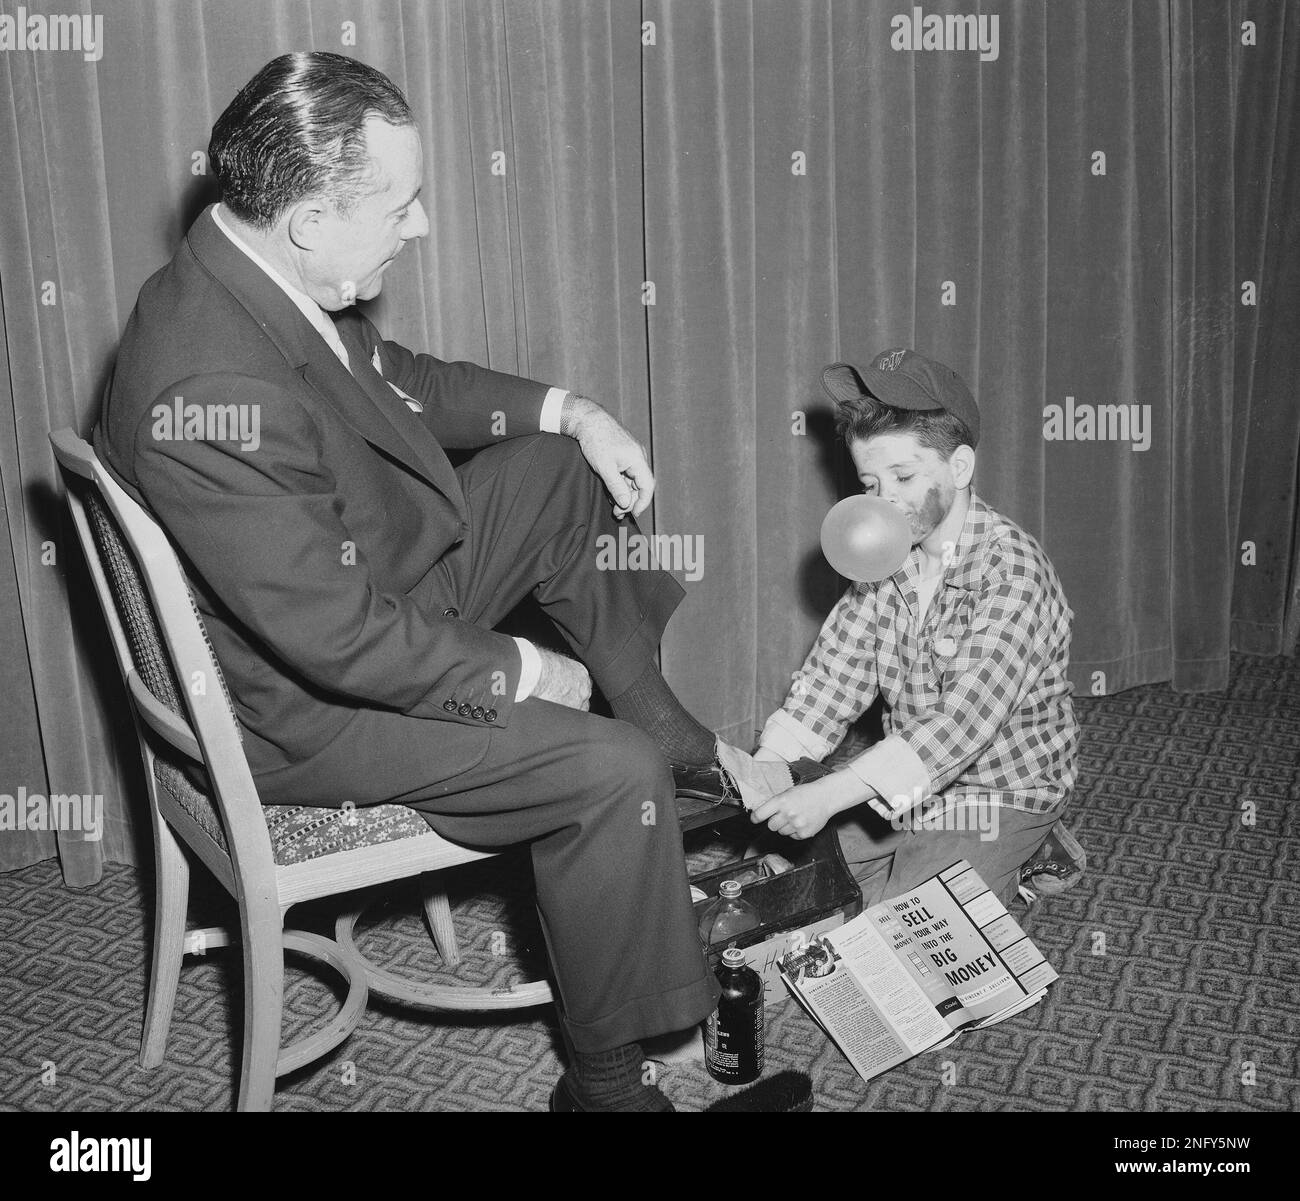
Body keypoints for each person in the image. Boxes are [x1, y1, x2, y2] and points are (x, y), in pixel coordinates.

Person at [94, 51, 730, 1112]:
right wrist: (522, 667)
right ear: (307, 216)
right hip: (308, 705)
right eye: (399, 203)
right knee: (607, 772)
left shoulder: (253, 265)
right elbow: (338, 641)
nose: (421, 224)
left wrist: (573, 410)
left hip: (346, 591)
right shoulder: (211, 380)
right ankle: (607, 1083)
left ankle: (660, 716)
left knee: (555, 468)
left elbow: (407, 384)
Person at [749, 349, 1080, 908]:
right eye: (870, 481)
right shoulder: (886, 555)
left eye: (903, 475)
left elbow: (963, 720)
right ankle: (949, 857)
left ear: (959, 468)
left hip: (999, 788)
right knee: (791, 876)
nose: (886, 500)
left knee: (909, 931)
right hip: (915, 781)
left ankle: (1030, 840)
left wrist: (832, 792)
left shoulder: (1012, 569)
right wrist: (766, 767)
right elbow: (834, 675)